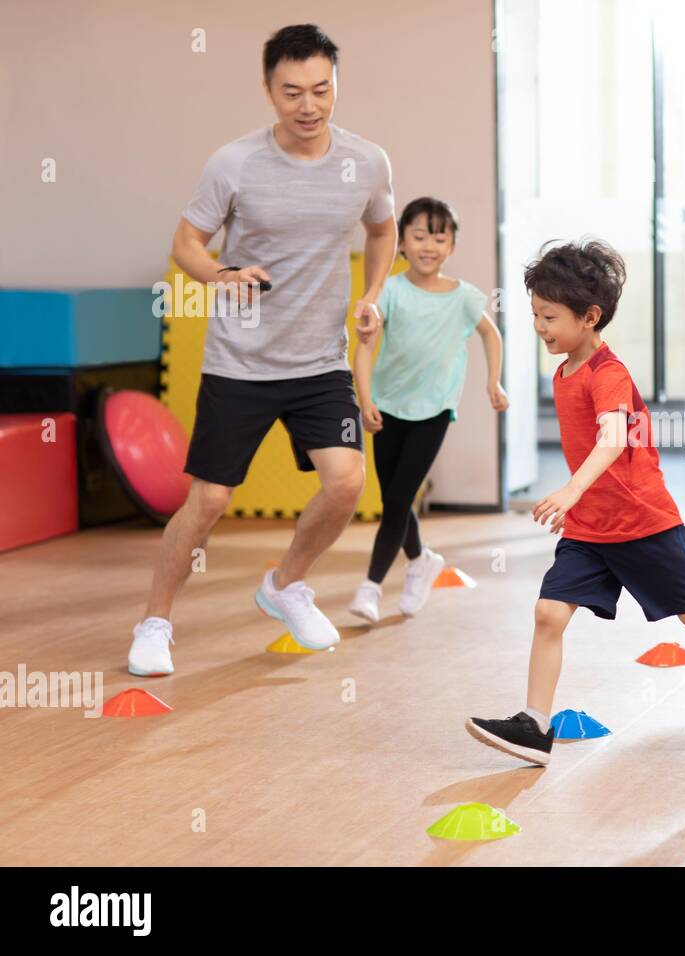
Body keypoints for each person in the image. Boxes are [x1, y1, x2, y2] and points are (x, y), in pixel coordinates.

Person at [127, 23, 396, 676]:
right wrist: (218, 275)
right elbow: (186, 242)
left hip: (320, 362)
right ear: (269, 91)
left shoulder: (368, 161)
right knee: (210, 501)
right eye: (293, 92)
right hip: (239, 364)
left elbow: (382, 227)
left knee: (347, 482)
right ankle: (154, 624)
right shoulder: (235, 163)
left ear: (337, 85)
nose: (310, 106)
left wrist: (376, 291)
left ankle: (284, 583)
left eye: (322, 90)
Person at [465, 239, 685, 766]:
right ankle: (534, 726)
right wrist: (579, 503)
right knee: (549, 612)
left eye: (549, 316)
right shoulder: (563, 370)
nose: (540, 326)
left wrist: (571, 489)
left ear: (589, 316)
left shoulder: (607, 373)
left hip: (644, 523)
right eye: (534, 315)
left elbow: (613, 439)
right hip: (590, 530)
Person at [348, 197, 508, 622]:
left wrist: (492, 381)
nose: (429, 246)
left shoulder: (463, 298)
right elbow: (363, 350)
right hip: (387, 407)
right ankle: (421, 561)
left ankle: (371, 587)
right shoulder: (390, 292)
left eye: (440, 238)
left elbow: (491, 335)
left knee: (399, 499)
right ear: (402, 243)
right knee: (394, 500)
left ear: (451, 246)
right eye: (419, 236)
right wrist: (365, 399)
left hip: (434, 410)